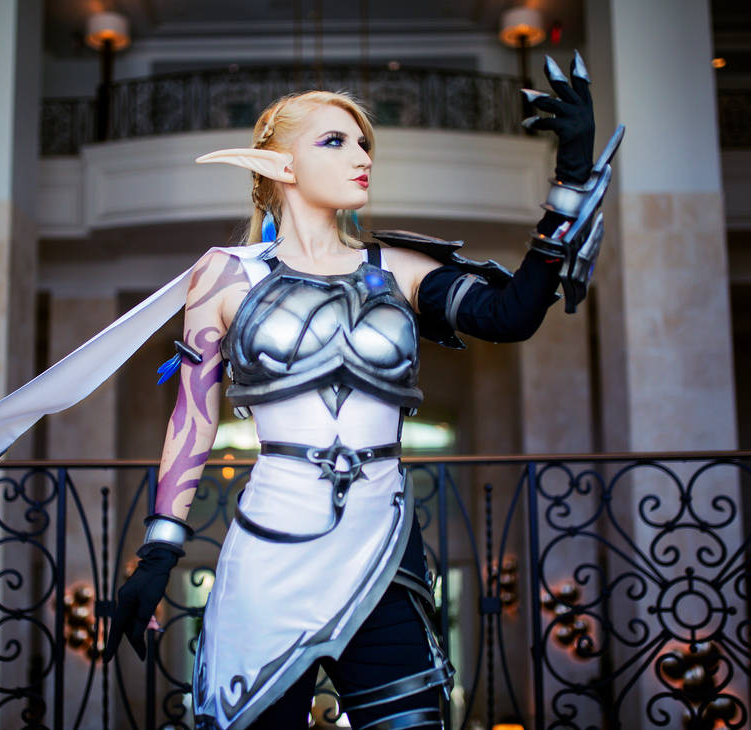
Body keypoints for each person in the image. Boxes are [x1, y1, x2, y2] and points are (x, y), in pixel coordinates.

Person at [105, 52, 613, 730]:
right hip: (270, 555)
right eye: (335, 141)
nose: (362, 156)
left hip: (383, 554)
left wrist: (571, 178)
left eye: (364, 143)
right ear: (279, 165)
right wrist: (159, 551)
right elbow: (192, 417)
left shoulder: (398, 268)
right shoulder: (224, 276)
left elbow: (511, 314)